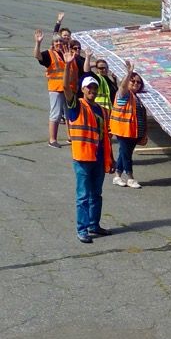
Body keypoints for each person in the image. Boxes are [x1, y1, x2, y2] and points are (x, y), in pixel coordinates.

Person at [62, 53, 113, 244]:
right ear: (83, 90)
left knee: (96, 195)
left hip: (98, 158)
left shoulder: (101, 109)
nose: (92, 90)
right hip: (83, 158)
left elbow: (104, 137)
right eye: (89, 87)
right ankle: (82, 229)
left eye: (94, 87)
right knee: (83, 196)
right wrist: (68, 66)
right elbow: (66, 88)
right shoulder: (77, 105)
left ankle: (94, 225)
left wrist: (110, 158)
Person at [110, 61, 148, 189]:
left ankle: (117, 176)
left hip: (134, 132)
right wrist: (129, 73)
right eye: (133, 81)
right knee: (126, 155)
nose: (136, 84)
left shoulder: (137, 97)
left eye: (138, 82)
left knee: (123, 154)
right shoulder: (124, 95)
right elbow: (122, 87)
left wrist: (143, 133)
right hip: (124, 131)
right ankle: (130, 178)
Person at [33, 28, 69, 147]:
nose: (59, 44)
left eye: (61, 42)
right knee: (56, 114)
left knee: (69, 114)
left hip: (68, 89)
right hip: (56, 89)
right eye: (56, 42)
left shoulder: (66, 54)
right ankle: (52, 140)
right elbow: (37, 56)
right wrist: (38, 43)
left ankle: (71, 137)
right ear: (53, 44)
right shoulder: (49, 54)